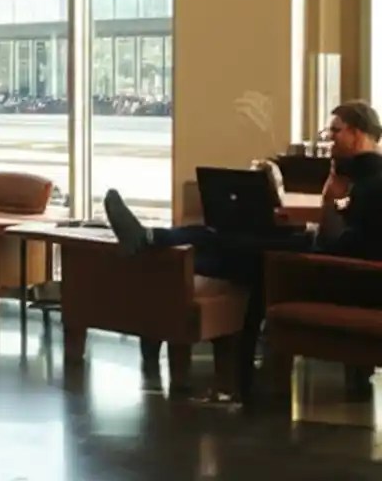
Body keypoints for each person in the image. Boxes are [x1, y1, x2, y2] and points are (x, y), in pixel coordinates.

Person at [103, 100, 382, 400]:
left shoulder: (371, 183)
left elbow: (343, 244)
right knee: (236, 246)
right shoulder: (355, 175)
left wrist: (331, 200)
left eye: (334, 131)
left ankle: (152, 240)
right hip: (326, 257)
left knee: (239, 251)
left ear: (355, 134)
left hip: (344, 274)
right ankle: (154, 240)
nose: (328, 140)